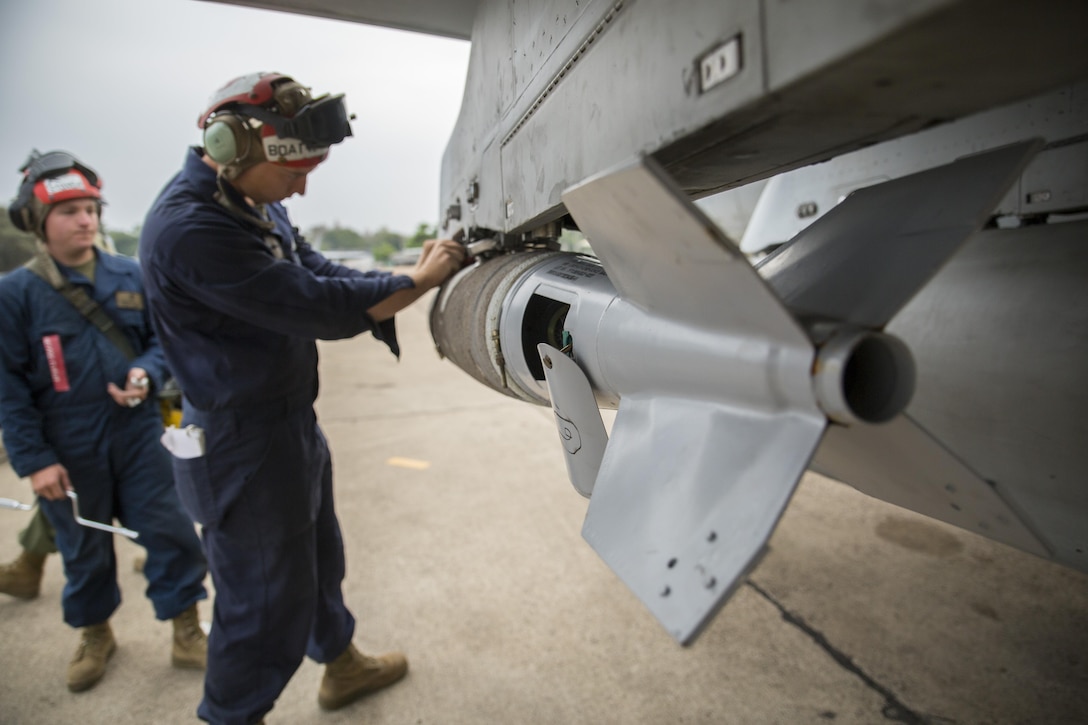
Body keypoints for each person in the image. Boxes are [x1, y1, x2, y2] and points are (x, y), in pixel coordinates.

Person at [138, 72, 465, 725]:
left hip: (288, 424)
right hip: (239, 442)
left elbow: (318, 269)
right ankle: (230, 715)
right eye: (296, 171)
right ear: (232, 148)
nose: (304, 185)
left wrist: (398, 278)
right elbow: (314, 304)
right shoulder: (190, 228)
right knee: (259, 602)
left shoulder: (253, 203)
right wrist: (418, 279)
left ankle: (340, 664)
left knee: (318, 559)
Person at [0, 150, 210, 693]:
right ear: (37, 222)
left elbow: (163, 344)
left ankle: (187, 627)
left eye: (92, 208)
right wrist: (35, 461)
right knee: (83, 549)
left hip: (137, 433)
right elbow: (10, 389)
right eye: (70, 211)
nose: (86, 220)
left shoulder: (131, 274)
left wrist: (144, 371)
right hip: (66, 444)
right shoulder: (16, 295)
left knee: (169, 530)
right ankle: (96, 634)